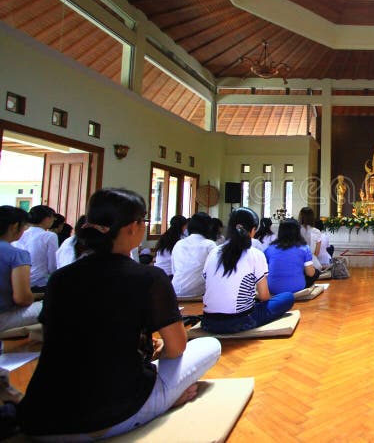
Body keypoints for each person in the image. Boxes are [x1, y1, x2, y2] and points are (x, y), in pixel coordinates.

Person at [17, 188, 221, 439]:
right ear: (133, 226)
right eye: (144, 221)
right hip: (113, 414)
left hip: (41, 419)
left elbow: (60, 337)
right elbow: (177, 348)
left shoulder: (60, 278)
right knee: (210, 345)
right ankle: (163, 402)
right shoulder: (149, 278)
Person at [202, 208, 294, 334]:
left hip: (208, 322)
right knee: (287, 297)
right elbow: (264, 296)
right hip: (240, 321)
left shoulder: (214, 252)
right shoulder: (255, 254)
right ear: (252, 230)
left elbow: (208, 283)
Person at [0, 206, 41, 333]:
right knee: (52, 306)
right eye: (24, 227)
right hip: (3, 318)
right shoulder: (17, 254)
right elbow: (22, 299)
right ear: (14, 226)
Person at [265, 218, 318, 293]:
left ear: (280, 231)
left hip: (273, 288)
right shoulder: (304, 248)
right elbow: (310, 273)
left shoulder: (269, 249)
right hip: (297, 287)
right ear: (297, 231)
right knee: (316, 272)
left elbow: (265, 271)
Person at [12, 205, 57, 291]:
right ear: (46, 218)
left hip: (18, 283)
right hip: (40, 284)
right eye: (53, 217)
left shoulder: (20, 234)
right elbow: (52, 266)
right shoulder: (49, 236)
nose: (53, 220)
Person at [171, 213, 217, 298]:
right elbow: (215, 273)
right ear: (208, 227)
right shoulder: (209, 245)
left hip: (175, 289)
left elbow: (174, 270)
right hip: (198, 292)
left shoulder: (179, 243)